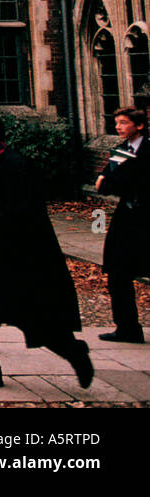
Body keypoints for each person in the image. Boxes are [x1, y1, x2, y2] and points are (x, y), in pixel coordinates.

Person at [0, 108, 92, 389]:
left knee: (27, 314)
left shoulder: (15, 164)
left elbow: (27, 210)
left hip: (11, 253)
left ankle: (74, 351)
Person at [95, 106, 148, 343]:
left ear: (139, 125)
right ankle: (127, 327)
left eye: (124, 122)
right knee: (117, 271)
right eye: (116, 122)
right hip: (127, 216)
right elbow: (103, 185)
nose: (118, 127)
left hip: (146, 216)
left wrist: (118, 179)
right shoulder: (120, 151)